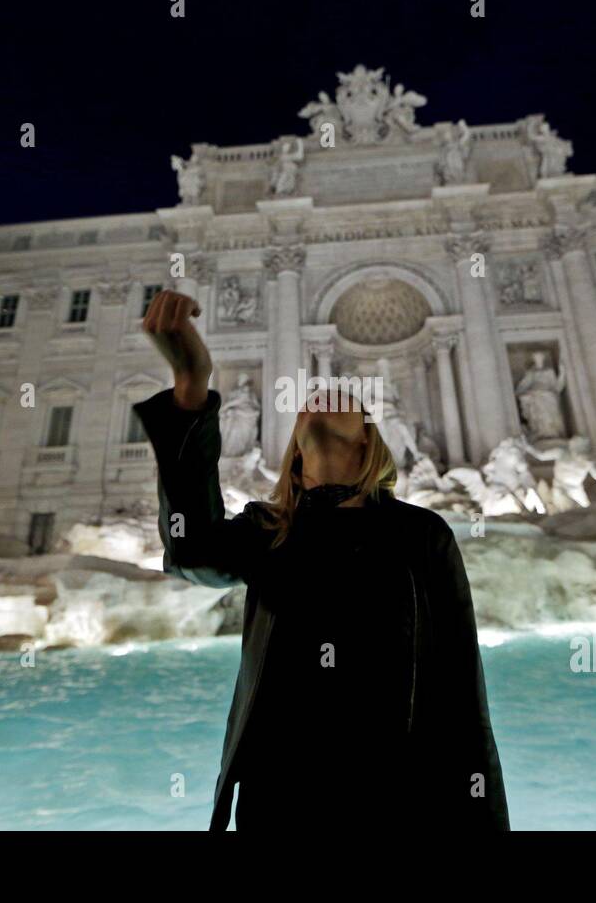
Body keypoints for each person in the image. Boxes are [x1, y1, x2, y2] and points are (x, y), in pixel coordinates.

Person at [134, 289, 510, 831]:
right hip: (279, 800)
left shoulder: (421, 533)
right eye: (313, 399)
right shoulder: (268, 530)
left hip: (398, 803)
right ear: (296, 456)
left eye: (348, 401)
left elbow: (463, 697)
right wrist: (191, 392)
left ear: (369, 446)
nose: (327, 393)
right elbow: (190, 549)